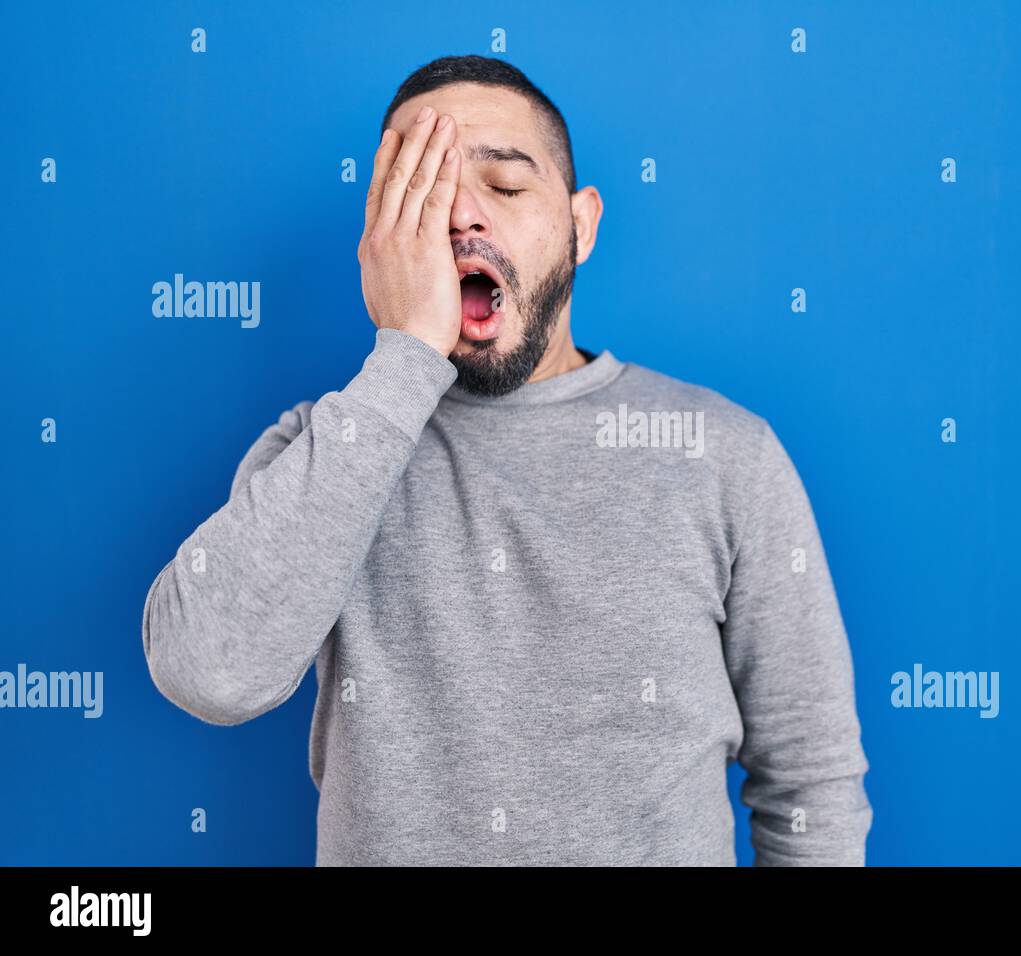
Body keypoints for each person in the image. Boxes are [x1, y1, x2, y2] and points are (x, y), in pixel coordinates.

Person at [141, 54, 872, 866]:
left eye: (506, 185)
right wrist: (407, 354)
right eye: (419, 196)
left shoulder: (726, 454)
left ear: (581, 224)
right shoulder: (327, 450)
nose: (461, 218)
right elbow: (206, 672)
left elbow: (812, 784)